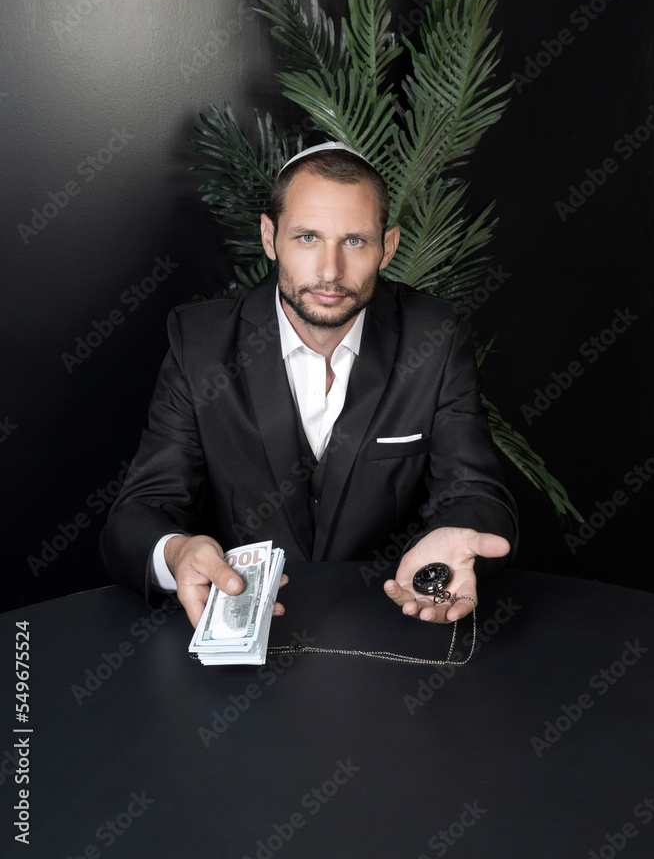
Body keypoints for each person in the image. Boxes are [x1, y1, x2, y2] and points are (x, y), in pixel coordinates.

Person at [100, 143, 517, 629]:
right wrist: (176, 552)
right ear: (269, 236)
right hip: (248, 645)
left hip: (386, 630)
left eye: (355, 241)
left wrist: (460, 538)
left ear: (389, 246)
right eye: (307, 238)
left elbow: (476, 491)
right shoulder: (201, 343)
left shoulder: (436, 337)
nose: (330, 271)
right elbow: (139, 513)